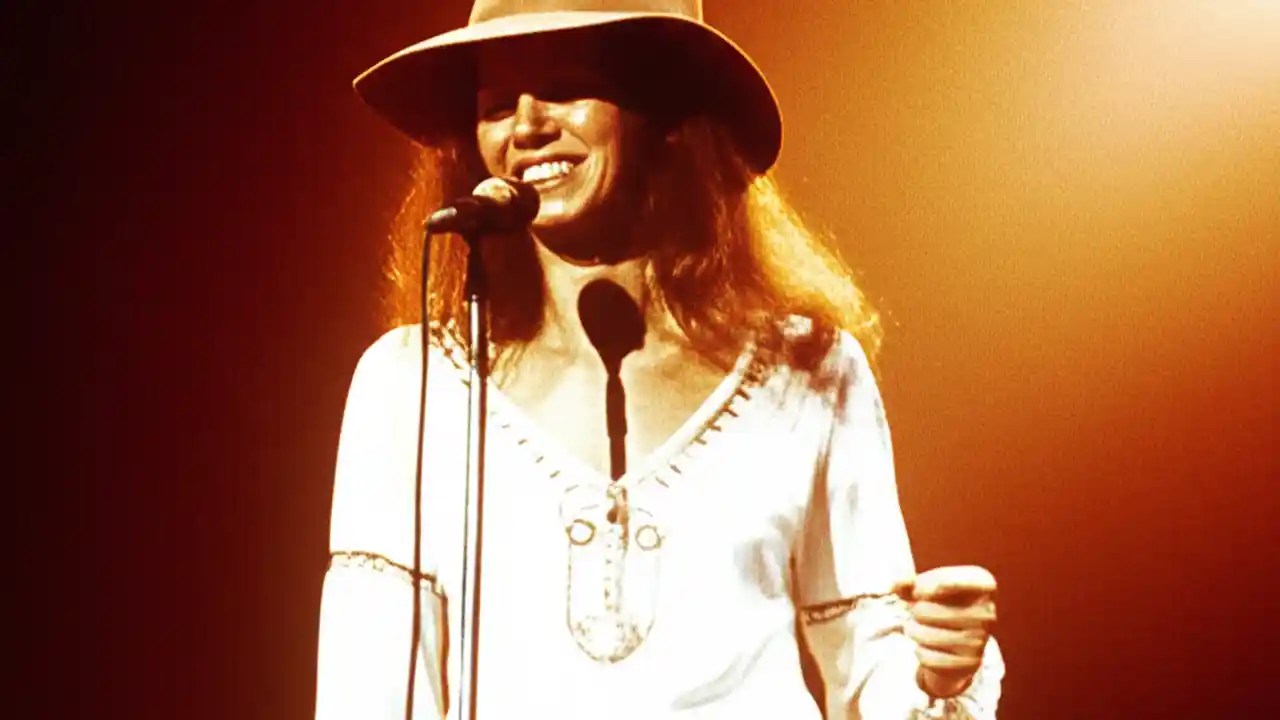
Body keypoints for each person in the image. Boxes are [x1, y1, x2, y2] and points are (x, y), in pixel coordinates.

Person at [315, 1, 1005, 718]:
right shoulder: (413, 384)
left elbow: (872, 662)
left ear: (668, 112)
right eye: (494, 105)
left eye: (563, 85)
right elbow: (368, 690)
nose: (526, 126)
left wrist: (936, 674)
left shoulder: (808, 370)